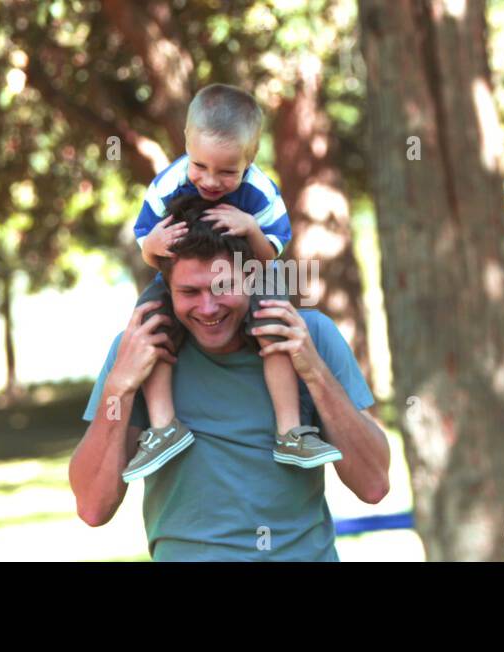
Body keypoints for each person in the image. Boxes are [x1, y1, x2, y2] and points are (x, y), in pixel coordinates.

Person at [68, 212, 391, 561]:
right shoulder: (141, 350)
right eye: (189, 292)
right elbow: (93, 507)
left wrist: (314, 371)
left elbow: (373, 485)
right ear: (167, 287)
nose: (208, 307)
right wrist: (119, 386)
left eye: (223, 287)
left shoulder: (307, 335)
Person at [122, 82, 341, 483]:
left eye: (227, 172)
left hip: (253, 270)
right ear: (187, 143)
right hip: (182, 274)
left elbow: (271, 252)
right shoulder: (166, 185)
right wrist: (152, 245)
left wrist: (251, 228)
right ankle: (163, 426)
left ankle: (289, 430)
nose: (210, 181)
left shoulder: (260, 192)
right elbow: (148, 249)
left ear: (250, 159)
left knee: (274, 322)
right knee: (149, 321)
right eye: (200, 166)